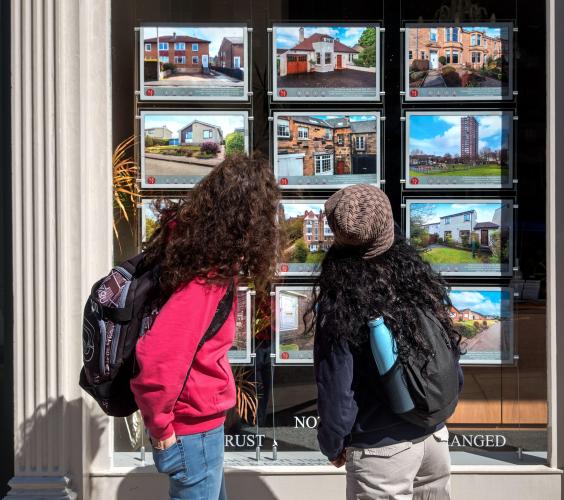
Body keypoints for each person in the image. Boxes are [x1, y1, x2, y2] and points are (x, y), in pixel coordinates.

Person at [130, 155, 280, 500]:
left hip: (196, 425)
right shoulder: (206, 279)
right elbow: (158, 357)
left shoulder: (193, 256)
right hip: (190, 429)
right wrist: (161, 427)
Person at [310, 184, 464, 500]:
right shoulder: (419, 282)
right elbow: (449, 354)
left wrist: (333, 443)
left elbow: (337, 387)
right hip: (434, 439)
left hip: (381, 452)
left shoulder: (341, 299)